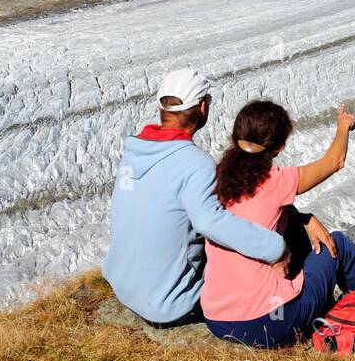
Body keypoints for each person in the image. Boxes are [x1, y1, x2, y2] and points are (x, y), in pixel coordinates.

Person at [103, 67, 288, 327]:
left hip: (123, 285)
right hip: (171, 304)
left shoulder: (134, 152)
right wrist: (275, 248)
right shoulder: (195, 164)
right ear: (203, 108)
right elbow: (210, 222)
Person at [201, 98, 355, 347]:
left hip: (217, 320)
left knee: (290, 226)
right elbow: (334, 161)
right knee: (337, 244)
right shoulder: (276, 179)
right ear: (279, 148)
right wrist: (343, 126)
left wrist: (302, 218)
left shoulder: (218, 178)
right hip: (270, 323)